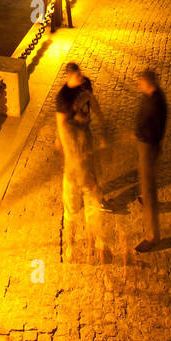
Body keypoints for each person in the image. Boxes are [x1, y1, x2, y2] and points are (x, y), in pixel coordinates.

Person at [55, 64, 107, 225]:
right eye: (76, 76)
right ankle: (71, 206)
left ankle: (96, 194)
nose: (80, 78)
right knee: (72, 171)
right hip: (71, 138)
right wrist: (64, 145)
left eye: (80, 75)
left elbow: (92, 101)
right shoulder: (63, 97)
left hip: (85, 133)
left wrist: (101, 120)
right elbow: (61, 123)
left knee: (90, 165)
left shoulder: (85, 85)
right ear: (68, 77)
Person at [134, 69, 167, 253]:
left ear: (149, 84)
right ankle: (146, 198)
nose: (139, 85)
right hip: (145, 145)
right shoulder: (150, 96)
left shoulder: (156, 103)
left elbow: (153, 131)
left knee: (149, 187)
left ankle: (152, 236)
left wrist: (138, 135)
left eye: (141, 82)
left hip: (148, 146)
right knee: (146, 182)